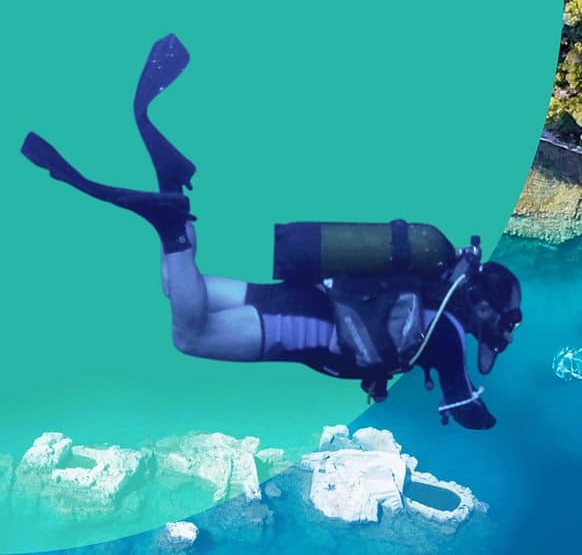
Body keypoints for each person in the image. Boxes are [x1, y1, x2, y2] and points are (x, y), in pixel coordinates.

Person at [19, 34, 522, 431]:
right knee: (189, 337)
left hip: (307, 295)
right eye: (505, 321)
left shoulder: (433, 279)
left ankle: (169, 184)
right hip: (302, 328)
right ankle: (171, 226)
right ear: (485, 307)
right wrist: (485, 415)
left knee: (177, 286)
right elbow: (466, 409)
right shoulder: (451, 337)